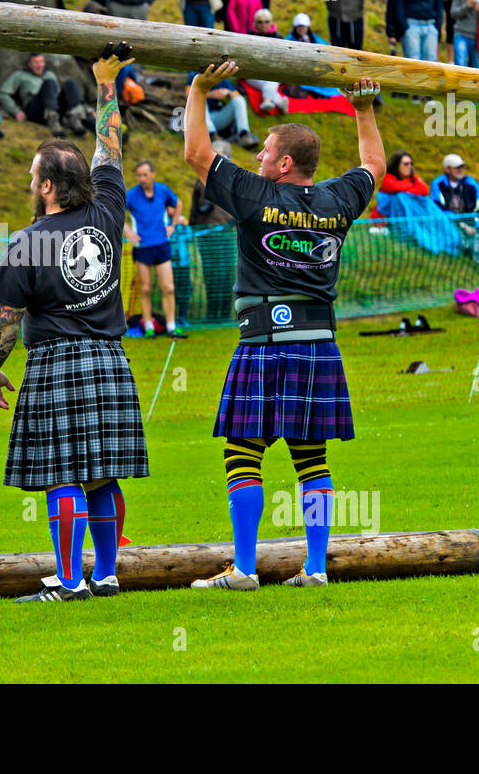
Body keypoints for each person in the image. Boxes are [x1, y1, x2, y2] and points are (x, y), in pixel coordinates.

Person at [183, 63, 384, 592]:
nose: (257, 157)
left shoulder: (255, 195)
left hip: (266, 343)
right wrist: (363, 109)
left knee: (242, 452)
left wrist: (198, 89)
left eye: (265, 151)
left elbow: (196, 155)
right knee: (311, 455)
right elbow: (375, 165)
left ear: (285, 162)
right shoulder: (339, 200)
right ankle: (315, 569)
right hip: (318, 344)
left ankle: (245, 570)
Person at [0, 43, 148, 602]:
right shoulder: (107, 211)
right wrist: (107, 82)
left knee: (61, 475)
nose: (31, 183)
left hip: (56, 361)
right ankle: (105, 575)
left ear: (48, 186)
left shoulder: (28, 242)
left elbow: (5, 316)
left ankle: (69, 580)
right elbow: (110, 146)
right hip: (109, 357)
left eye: (35, 176)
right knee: (101, 472)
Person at [124, 160, 186, 339]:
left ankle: (171, 325)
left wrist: (172, 225)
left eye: (145, 174)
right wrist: (128, 231)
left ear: (152, 174)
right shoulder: (132, 195)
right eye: (139, 175)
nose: (142, 178)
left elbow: (178, 203)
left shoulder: (163, 190)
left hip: (162, 245)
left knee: (168, 287)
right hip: (142, 247)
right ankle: (149, 326)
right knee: (145, 288)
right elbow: (117, 212)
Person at [430, 153, 479, 275]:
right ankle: (465, 250)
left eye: (462, 167)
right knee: (457, 235)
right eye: (456, 167)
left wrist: (478, 226)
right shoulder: (438, 184)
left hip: (470, 221)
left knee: (478, 236)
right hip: (448, 221)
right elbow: (437, 208)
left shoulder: (471, 183)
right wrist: (461, 224)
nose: (460, 170)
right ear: (447, 169)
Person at [189, 140, 237, 323]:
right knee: (210, 275)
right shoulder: (201, 178)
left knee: (226, 275)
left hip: (226, 235)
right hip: (206, 236)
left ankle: (225, 316)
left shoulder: (234, 178)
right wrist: (193, 229)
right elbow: (195, 208)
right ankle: (212, 314)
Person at [0, 53, 88, 138]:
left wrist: (88, 109)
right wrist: (16, 111)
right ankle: (52, 122)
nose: (39, 65)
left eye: (41, 62)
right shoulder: (20, 75)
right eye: (35, 62)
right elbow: (3, 93)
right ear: (29, 64)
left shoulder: (50, 74)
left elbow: (61, 94)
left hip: (55, 108)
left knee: (70, 83)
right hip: (35, 109)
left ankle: (75, 120)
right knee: (49, 82)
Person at [369, 149, 428, 221]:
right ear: (397, 165)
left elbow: (424, 189)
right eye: (406, 164)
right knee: (400, 196)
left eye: (411, 163)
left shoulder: (413, 178)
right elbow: (394, 187)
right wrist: (411, 186)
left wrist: (405, 188)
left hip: (408, 217)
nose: (409, 166)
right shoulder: (388, 177)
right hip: (383, 220)